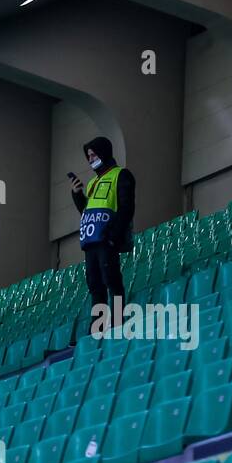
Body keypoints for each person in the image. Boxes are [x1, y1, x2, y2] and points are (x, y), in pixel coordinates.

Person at [70, 136, 135, 333]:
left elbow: (126, 208)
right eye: (88, 156)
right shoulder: (92, 183)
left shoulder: (121, 175)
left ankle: (116, 322)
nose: (90, 159)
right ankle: (97, 325)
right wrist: (77, 195)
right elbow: (87, 212)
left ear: (104, 153)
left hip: (107, 240)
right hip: (91, 241)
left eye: (93, 154)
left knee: (111, 279)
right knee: (94, 284)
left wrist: (114, 236)